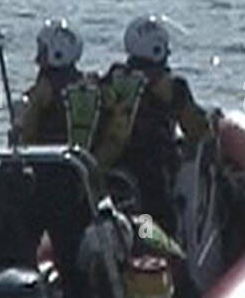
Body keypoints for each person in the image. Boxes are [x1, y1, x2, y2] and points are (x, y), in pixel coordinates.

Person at [92, 15, 213, 237]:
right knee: (163, 224)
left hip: (111, 162)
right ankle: (166, 256)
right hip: (151, 169)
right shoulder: (172, 87)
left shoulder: (113, 78)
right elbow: (196, 129)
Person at [17, 19, 85, 145]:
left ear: (57, 53)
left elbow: (28, 132)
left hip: (45, 157)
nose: (37, 59)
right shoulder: (82, 84)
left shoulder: (45, 87)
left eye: (43, 51)